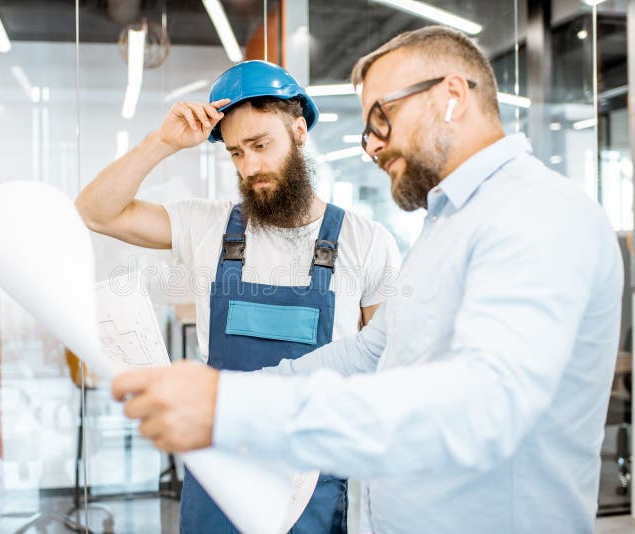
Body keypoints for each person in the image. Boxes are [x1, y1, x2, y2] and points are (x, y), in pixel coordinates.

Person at [111, 26, 624, 533]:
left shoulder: (534, 213)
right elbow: (368, 351)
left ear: (451, 97)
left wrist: (234, 411)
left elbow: (483, 406)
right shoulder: (446, 224)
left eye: (385, 115)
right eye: (368, 128)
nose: (374, 146)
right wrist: (226, 393)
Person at [76, 60, 400, 533]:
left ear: (298, 129)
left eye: (260, 145)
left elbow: (387, 372)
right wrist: (162, 143)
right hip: (219, 476)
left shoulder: (366, 242)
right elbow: (96, 212)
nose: (250, 167)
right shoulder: (207, 226)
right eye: (235, 154)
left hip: (314, 482)